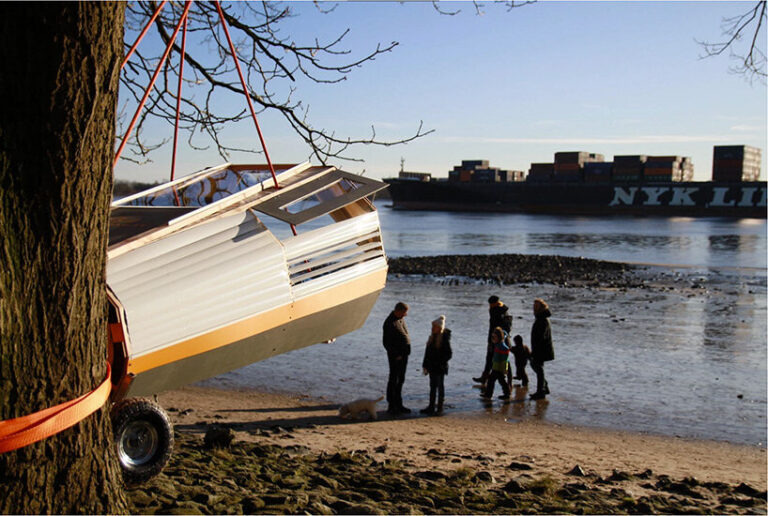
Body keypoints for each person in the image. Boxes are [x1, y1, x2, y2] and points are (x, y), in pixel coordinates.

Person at [473, 295, 511, 385]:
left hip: (498, 340)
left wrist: (491, 341)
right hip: (499, 339)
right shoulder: (502, 310)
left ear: (493, 304)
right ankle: (486, 377)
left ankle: (505, 381)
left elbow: (494, 328)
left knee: (496, 360)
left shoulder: (497, 312)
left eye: (490, 304)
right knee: (496, 359)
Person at [420, 315, 453, 416]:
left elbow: (449, 354)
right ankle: (431, 406)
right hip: (432, 366)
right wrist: (425, 365)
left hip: (439, 367)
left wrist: (439, 362)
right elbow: (427, 353)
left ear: (439, 328)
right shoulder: (432, 338)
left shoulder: (444, 339)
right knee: (432, 387)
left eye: (434, 326)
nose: (432, 328)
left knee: (439, 386)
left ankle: (439, 407)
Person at [383, 301, 411, 414]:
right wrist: (396, 355)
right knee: (394, 380)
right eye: (404, 312)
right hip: (396, 357)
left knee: (400, 380)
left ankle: (398, 404)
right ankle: (392, 405)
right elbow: (386, 343)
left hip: (403, 355)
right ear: (398, 311)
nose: (406, 315)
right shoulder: (389, 322)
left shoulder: (400, 319)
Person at [530, 298, 554, 400]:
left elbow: (541, 336)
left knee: (538, 367)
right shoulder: (541, 317)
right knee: (536, 366)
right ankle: (544, 388)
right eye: (534, 305)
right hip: (540, 347)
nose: (534, 307)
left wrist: (536, 349)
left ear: (541, 307)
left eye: (536, 306)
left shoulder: (542, 319)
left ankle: (541, 391)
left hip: (541, 348)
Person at [481, 327, 511, 400]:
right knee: (500, 381)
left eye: (494, 337)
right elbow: (504, 332)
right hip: (495, 367)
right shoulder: (498, 345)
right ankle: (506, 393)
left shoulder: (503, 347)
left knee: (493, 380)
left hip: (499, 368)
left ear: (499, 337)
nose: (493, 339)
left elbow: (505, 360)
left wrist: (505, 369)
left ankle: (489, 395)